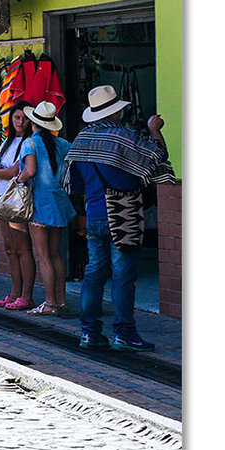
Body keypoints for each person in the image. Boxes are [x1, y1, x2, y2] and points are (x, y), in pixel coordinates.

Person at [63, 84, 175, 350]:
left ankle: (89, 333)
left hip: (94, 215)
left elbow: (72, 183)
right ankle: (124, 333)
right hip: (124, 214)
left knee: (94, 273)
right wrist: (154, 130)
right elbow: (156, 156)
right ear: (115, 112)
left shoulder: (80, 140)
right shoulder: (123, 137)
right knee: (124, 274)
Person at [23, 99, 76, 315]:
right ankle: (61, 302)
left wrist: (18, 179)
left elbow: (30, 171)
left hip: (39, 204)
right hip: (60, 202)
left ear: (33, 123)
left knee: (43, 256)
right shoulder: (63, 144)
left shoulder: (30, 143)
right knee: (56, 255)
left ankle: (50, 303)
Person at [0, 102, 37, 312]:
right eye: (17, 117)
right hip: (3, 199)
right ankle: (15, 293)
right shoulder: (6, 142)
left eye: (25, 118)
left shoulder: (29, 142)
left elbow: (13, 172)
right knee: (10, 249)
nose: (21, 122)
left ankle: (27, 296)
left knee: (22, 248)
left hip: (17, 201)